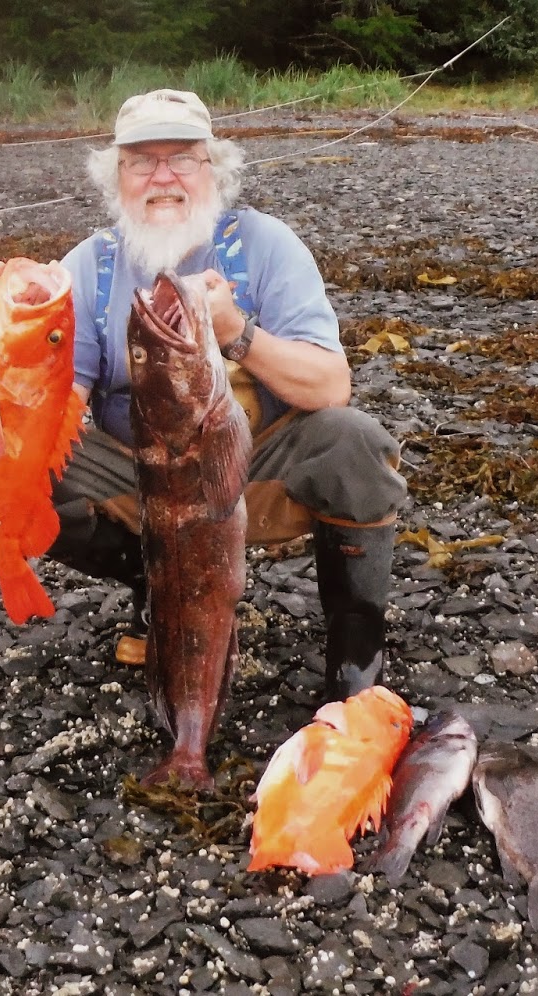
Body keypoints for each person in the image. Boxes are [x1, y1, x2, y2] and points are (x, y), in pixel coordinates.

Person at [46, 88, 408, 701]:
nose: (164, 177)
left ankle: (356, 662)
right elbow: (64, 405)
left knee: (356, 444)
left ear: (214, 167)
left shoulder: (267, 246)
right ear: (117, 176)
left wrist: (236, 332)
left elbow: (331, 384)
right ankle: (165, 594)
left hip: (247, 475)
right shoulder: (88, 266)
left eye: (182, 157)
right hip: (145, 484)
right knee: (16, 464)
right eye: (142, 161)